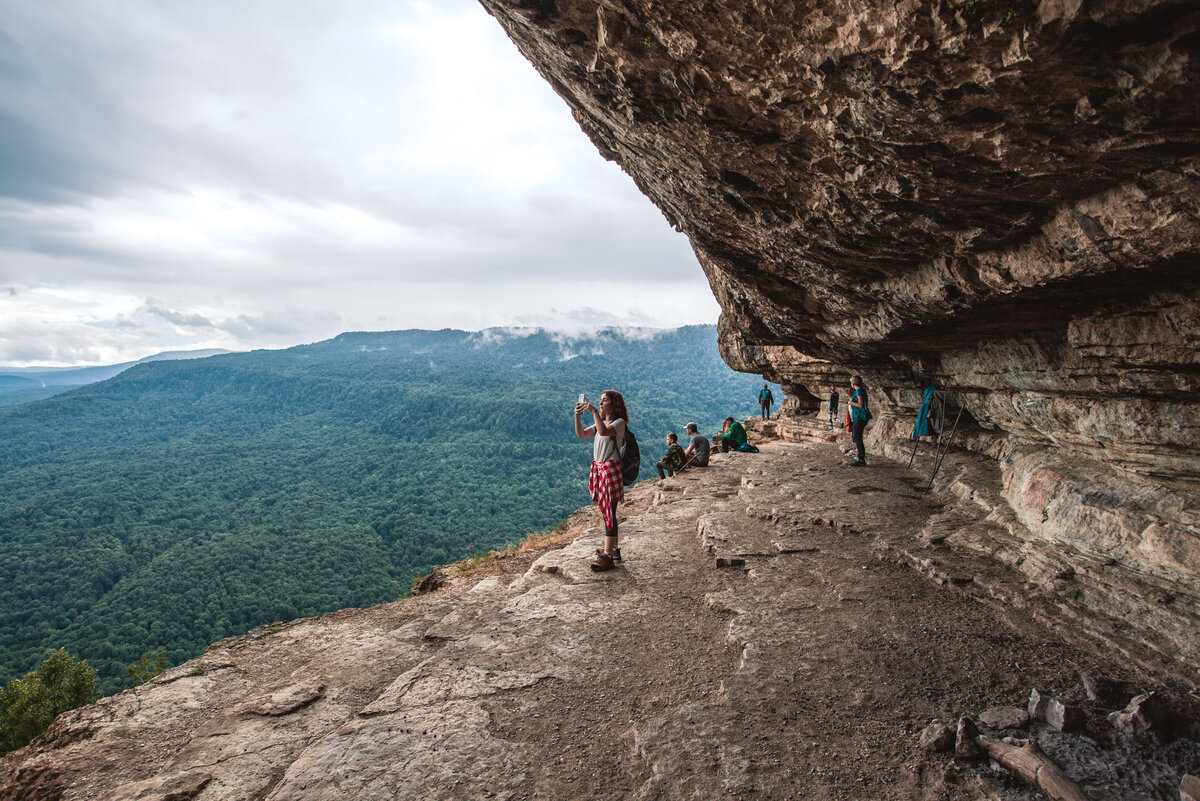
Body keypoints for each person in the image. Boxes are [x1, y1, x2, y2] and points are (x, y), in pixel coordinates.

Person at [574, 390, 628, 571]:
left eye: (605, 400)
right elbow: (581, 434)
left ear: (614, 404)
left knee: (609, 512)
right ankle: (612, 549)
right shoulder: (601, 423)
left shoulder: (619, 423)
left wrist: (594, 411)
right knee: (607, 512)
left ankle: (606, 556)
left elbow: (604, 433)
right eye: (601, 400)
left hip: (610, 470)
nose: (601, 402)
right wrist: (578, 417)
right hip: (601, 469)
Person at [848, 376, 870, 466]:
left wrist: (851, 403)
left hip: (860, 417)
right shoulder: (861, 390)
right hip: (859, 416)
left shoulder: (859, 392)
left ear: (853, 384)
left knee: (857, 437)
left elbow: (861, 405)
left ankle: (861, 459)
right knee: (857, 436)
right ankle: (861, 458)